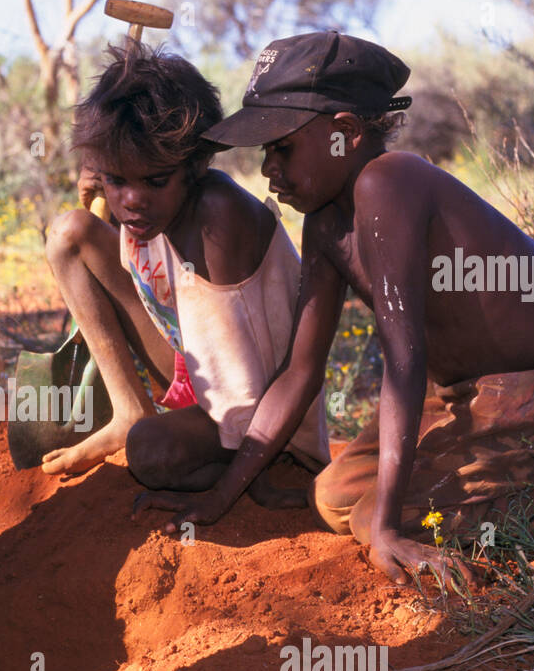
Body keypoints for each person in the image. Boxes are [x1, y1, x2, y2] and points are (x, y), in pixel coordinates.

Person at [136, 31, 534, 585]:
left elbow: (404, 360)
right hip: (469, 396)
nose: (268, 169)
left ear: (346, 134)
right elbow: (300, 371)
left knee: (376, 518)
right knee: (332, 496)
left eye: (281, 147)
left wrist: (385, 529)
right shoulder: (326, 225)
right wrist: (223, 493)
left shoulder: (390, 182)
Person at [41, 41, 329, 504]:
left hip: (262, 410)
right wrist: (111, 176)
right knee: (69, 234)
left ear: (195, 164)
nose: (133, 199)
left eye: (155, 180)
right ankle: (128, 411)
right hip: (195, 368)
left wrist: (247, 486)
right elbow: (133, 228)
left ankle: (246, 467)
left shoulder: (217, 213)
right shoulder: (142, 203)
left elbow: (244, 387)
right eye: (117, 180)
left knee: (150, 452)